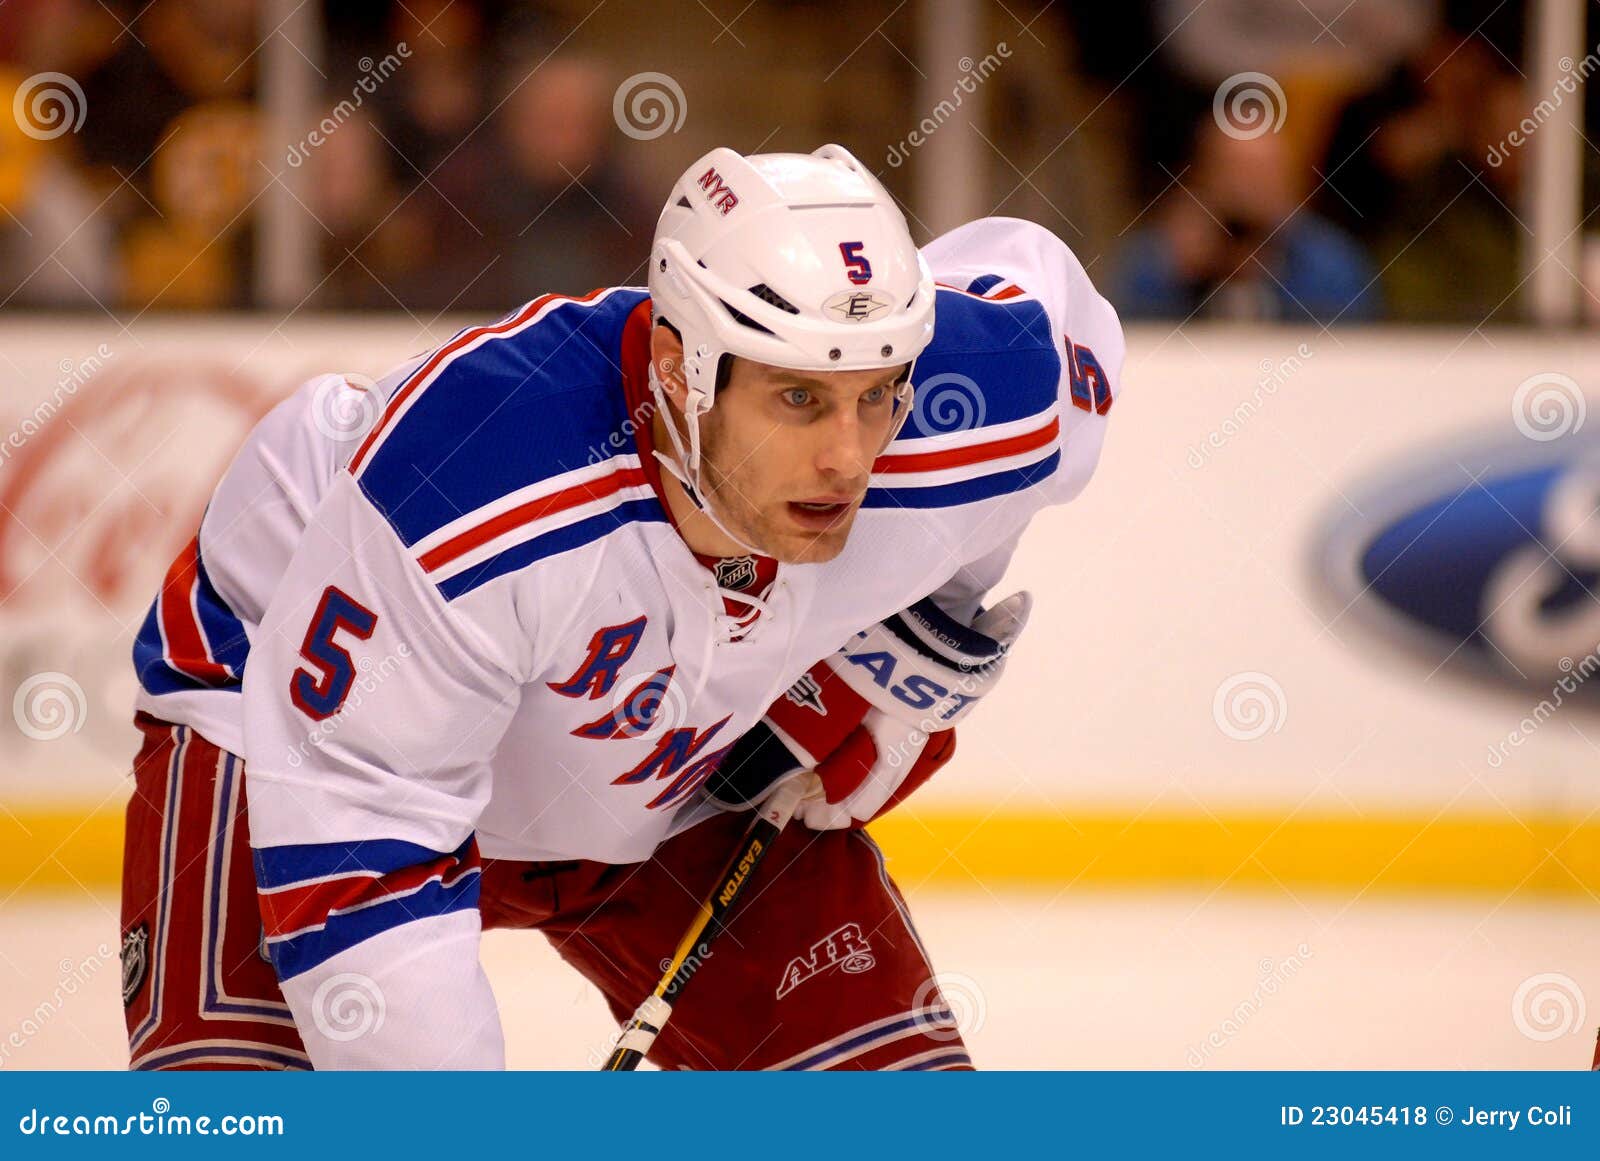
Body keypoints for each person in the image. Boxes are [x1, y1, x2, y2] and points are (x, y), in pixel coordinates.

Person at [121, 144, 1124, 1070]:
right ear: (683, 371)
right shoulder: (473, 489)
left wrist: (915, 630)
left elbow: (1053, 308)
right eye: (798, 401)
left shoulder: (980, 400)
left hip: (684, 761)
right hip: (289, 733)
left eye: (877, 395)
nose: (851, 458)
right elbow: (365, 840)